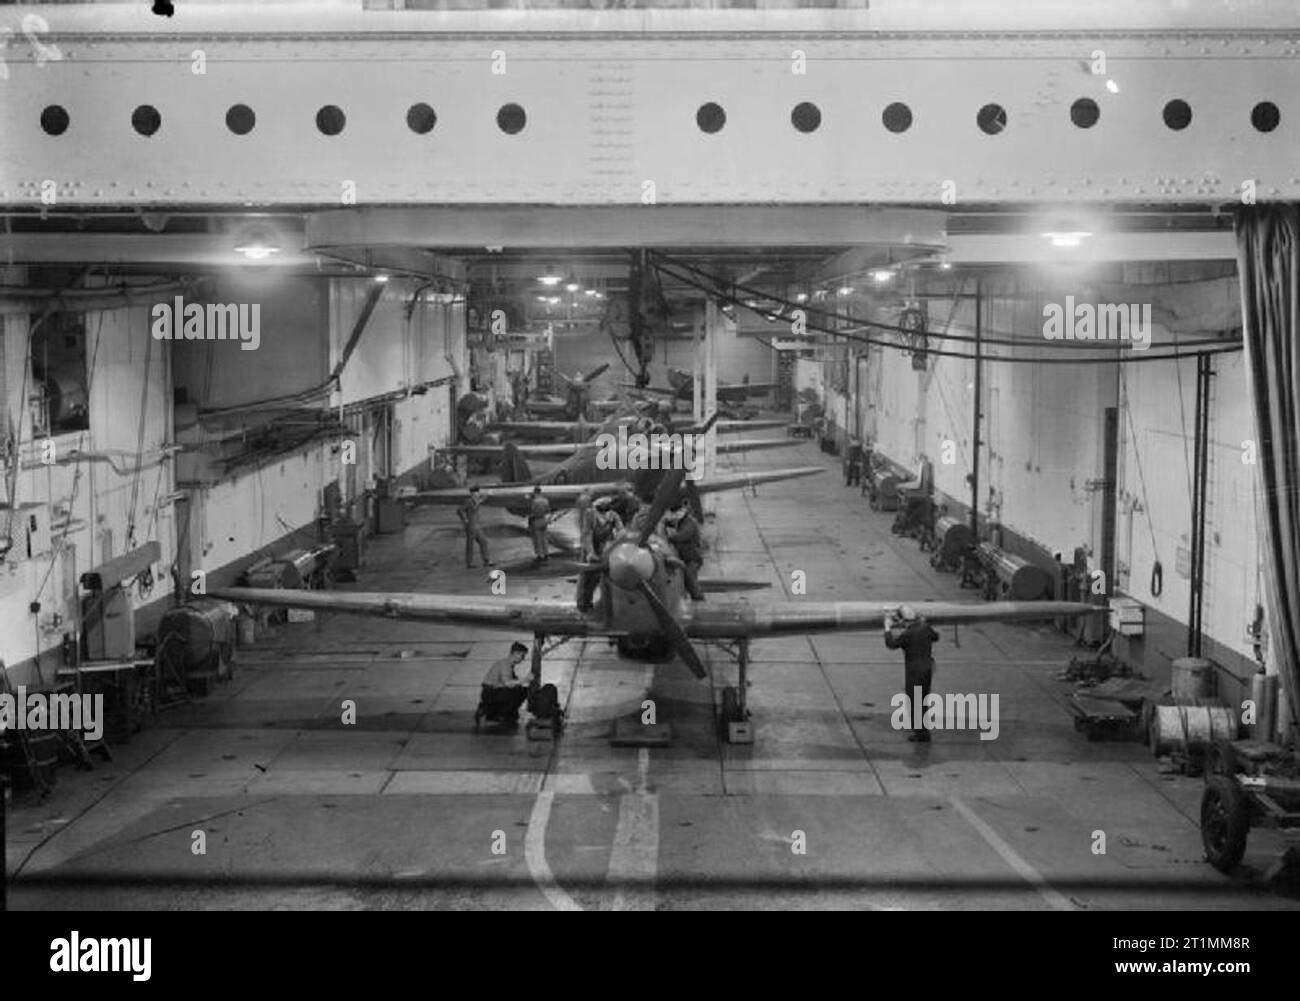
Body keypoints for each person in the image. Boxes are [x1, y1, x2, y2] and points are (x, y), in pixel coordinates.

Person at [884, 605, 940, 742]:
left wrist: (887, 628)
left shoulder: (907, 634)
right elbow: (936, 636)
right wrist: (924, 623)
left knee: (915, 702)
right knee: (923, 700)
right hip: (927, 669)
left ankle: (921, 734)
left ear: (903, 620)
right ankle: (924, 731)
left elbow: (891, 644)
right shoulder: (926, 629)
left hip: (915, 671)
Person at [478, 641, 530, 727]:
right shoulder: (505, 664)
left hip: (491, 692)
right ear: (516, 653)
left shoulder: (507, 665)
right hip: (491, 694)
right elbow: (508, 683)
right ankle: (494, 712)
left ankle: (498, 713)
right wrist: (525, 680)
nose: (523, 658)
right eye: (522, 655)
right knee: (521, 692)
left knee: (519, 690)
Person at [664, 502, 705, 601]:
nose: (673, 515)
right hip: (686, 557)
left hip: (693, 558)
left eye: (675, 512)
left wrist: (670, 537)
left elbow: (682, 536)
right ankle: (695, 598)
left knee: (690, 579)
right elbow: (670, 523)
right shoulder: (681, 521)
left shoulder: (689, 523)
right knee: (687, 580)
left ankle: (699, 599)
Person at [457, 485, 493, 569]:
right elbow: (459, 510)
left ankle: (487, 560)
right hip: (470, 525)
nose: (477, 494)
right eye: (475, 493)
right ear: (472, 494)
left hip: (476, 525)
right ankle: (469, 563)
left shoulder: (476, 500)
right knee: (470, 544)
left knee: (483, 541)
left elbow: (482, 499)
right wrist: (465, 519)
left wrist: (488, 493)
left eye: (478, 492)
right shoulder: (468, 501)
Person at [528, 486, 551, 562]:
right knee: (544, 537)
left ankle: (540, 554)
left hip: (537, 520)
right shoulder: (546, 500)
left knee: (537, 539)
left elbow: (533, 511)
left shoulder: (534, 501)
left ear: (535, 492)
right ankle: (546, 553)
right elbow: (548, 510)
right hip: (544, 519)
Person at [575, 489, 596, 561]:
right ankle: (589, 555)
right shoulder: (589, 501)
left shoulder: (580, 499)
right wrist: (593, 525)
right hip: (587, 521)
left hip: (582, 520)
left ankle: (583, 554)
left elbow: (578, 508)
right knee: (588, 538)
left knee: (583, 537)